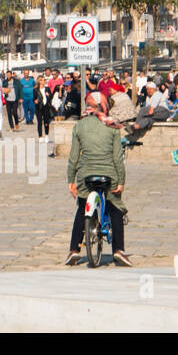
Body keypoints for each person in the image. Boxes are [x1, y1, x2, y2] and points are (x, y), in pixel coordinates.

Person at [65, 92, 131, 267]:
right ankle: (118, 250)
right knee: (115, 207)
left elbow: (73, 157)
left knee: (82, 208)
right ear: (104, 106)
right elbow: (118, 158)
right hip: (109, 174)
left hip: (85, 175)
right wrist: (121, 181)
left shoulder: (79, 126)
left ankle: (73, 250)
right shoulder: (112, 126)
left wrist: (71, 180)